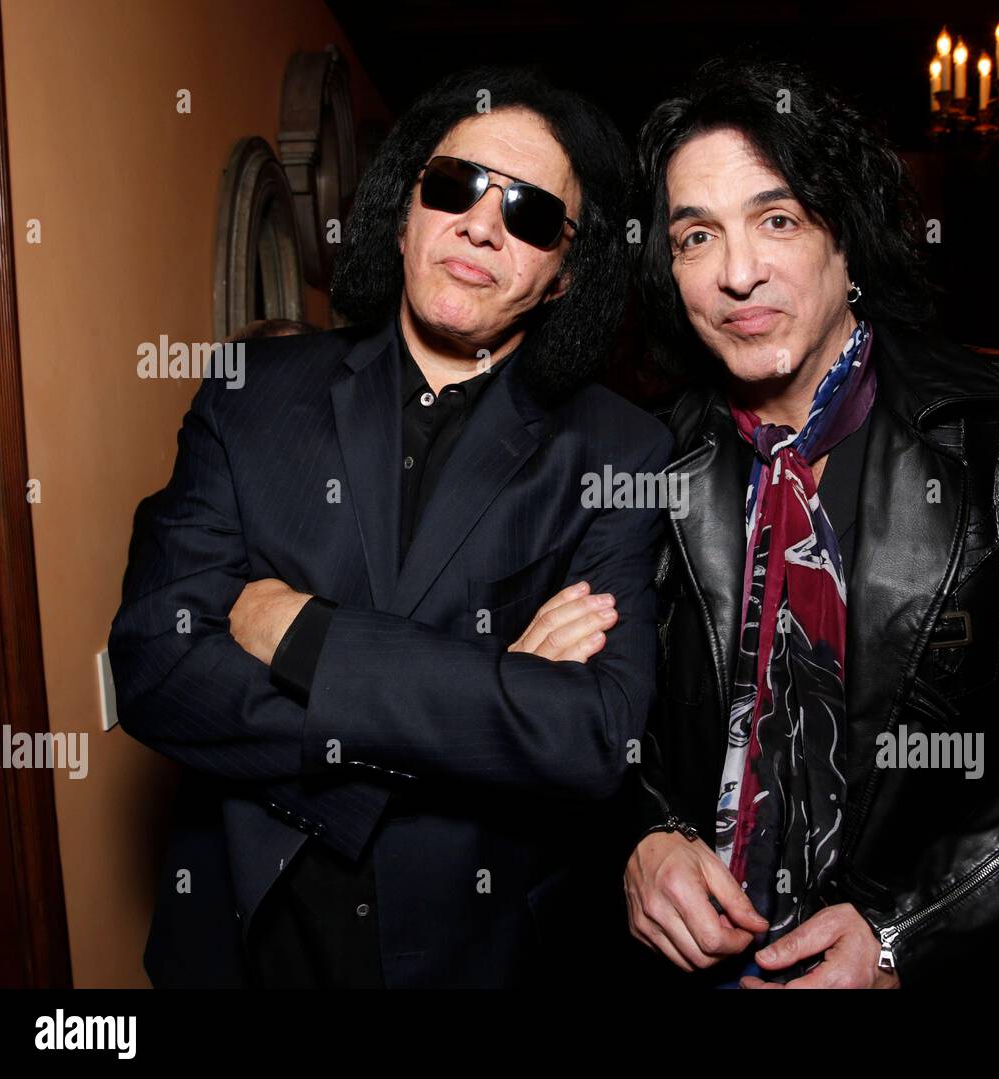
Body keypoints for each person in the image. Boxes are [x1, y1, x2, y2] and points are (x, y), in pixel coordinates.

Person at [110, 65, 670, 988]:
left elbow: (596, 737)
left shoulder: (622, 450)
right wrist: (495, 694)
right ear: (405, 210)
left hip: (477, 954)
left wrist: (303, 634)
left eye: (531, 214)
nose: (482, 224)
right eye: (455, 184)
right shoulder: (252, 395)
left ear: (564, 274)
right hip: (245, 942)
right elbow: (156, 666)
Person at [622, 56, 999, 989]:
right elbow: (608, 716)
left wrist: (904, 929)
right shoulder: (645, 456)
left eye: (778, 219)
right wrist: (643, 834)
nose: (737, 274)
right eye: (696, 237)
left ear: (850, 239)